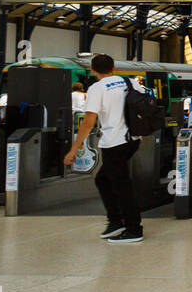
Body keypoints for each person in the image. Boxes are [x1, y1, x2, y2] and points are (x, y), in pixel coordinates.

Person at [62, 54, 145, 244]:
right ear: (113, 67)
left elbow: (89, 121)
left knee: (121, 184)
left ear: (93, 70)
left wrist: (74, 148)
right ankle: (116, 221)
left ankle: (133, 229)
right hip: (133, 139)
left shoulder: (96, 88)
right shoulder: (130, 82)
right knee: (104, 179)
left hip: (114, 143)